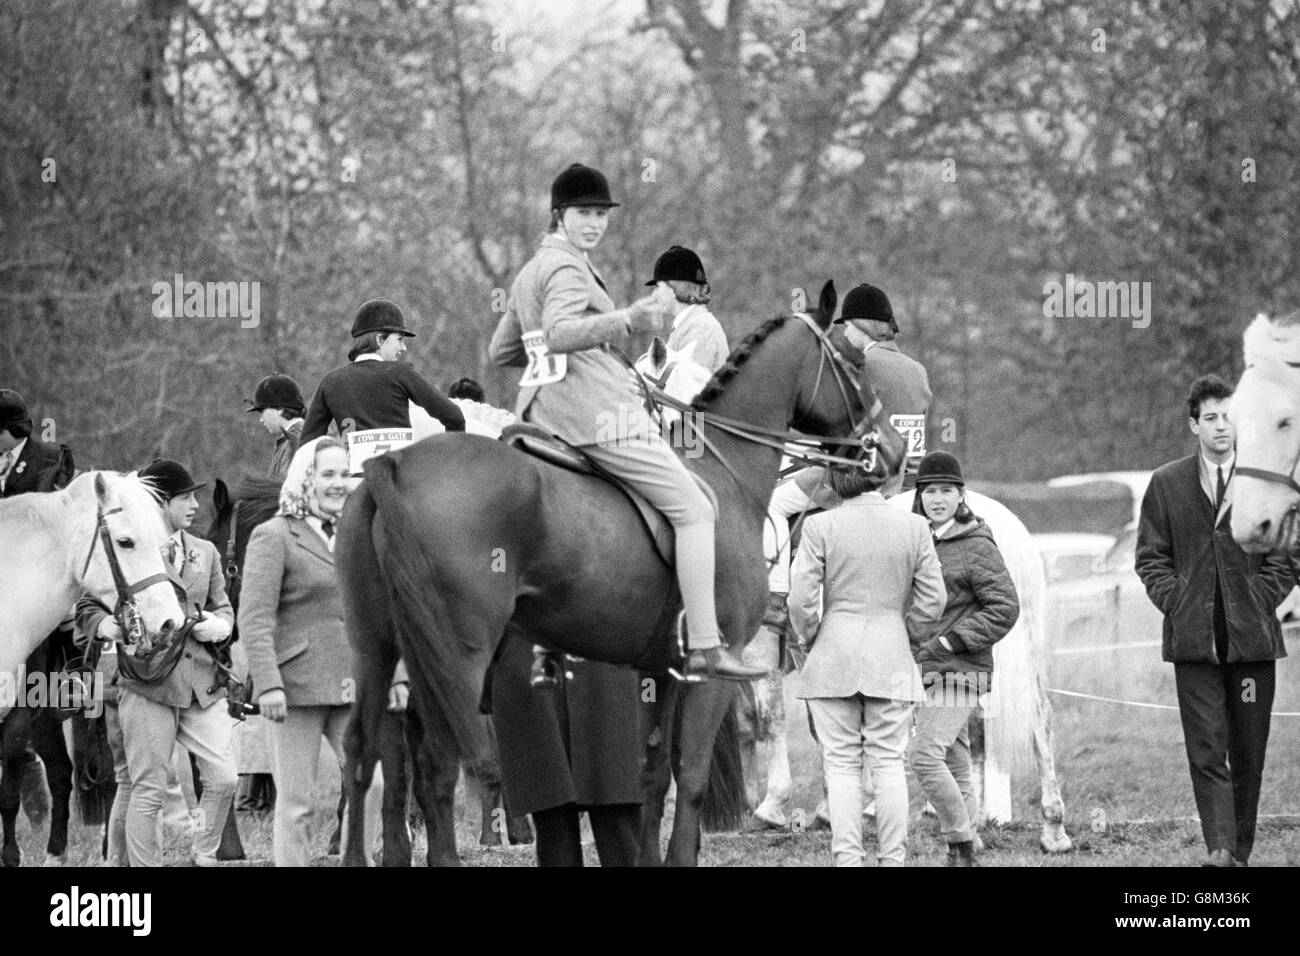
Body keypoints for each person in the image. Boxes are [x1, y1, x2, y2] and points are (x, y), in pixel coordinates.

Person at [488, 162, 763, 681]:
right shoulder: (568, 268)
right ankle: (704, 643)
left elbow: (502, 350)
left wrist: (555, 363)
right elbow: (560, 333)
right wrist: (631, 320)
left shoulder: (530, 272)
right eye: (582, 214)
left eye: (599, 214)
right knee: (696, 505)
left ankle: (552, 647)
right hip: (596, 417)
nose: (594, 223)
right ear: (558, 216)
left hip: (539, 413)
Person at [1135, 374, 1293, 867]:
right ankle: (1220, 851)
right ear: (1193, 425)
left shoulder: (1264, 482)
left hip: (1251, 648)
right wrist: (1178, 602)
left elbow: (1288, 554)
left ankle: (1239, 853)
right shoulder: (1166, 483)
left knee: (1247, 753)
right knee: (1206, 751)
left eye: (1230, 416)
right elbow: (1150, 558)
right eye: (1211, 418)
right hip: (1195, 646)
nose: (1222, 426)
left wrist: (1259, 598)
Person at [237, 437, 401, 866]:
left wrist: (398, 676)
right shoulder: (273, 536)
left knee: (373, 784)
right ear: (304, 478)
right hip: (293, 690)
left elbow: (382, 612)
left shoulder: (359, 535)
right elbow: (254, 620)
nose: (338, 483)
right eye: (327, 474)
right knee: (297, 805)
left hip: (355, 683)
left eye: (344, 473)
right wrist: (268, 684)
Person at [77, 458, 238, 868]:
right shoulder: (126, 547)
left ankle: (204, 852)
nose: (196, 506)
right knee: (145, 787)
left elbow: (224, 606)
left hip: (201, 682)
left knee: (224, 778)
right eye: (185, 498)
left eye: (196, 497)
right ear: (159, 503)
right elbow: (87, 604)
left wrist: (218, 625)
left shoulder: (206, 552)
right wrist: (105, 624)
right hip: (146, 681)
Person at [788, 462, 946, 866]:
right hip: (891, 654)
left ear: (838, 479)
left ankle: (848, 860)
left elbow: (800, 599)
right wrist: (904, 634)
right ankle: (893, 860)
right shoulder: (915, 528)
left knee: (840, 765)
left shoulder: (819, 527)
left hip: (831, 655)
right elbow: (934, 601)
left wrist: (810, 637)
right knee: (889, 763)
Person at [907, 450, 1019, 866]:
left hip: (961, 667)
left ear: (961, 495)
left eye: (946, 491)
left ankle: (962, 843)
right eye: (929, 491)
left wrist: (954, 641)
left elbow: (1005, 607)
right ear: (920, 496)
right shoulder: (919, 538)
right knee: (955, 763)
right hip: (927, 668)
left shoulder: (975, 544)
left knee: (923, 756)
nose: (937, 499)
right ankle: (966, 853)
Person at [301, 299, 466, 453]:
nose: (403, 348)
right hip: (397, 479)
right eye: (399, 339)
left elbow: (307, 445)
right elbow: (454, 416)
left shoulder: (330, 381)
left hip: (352, 480)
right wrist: (451, 459)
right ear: (380, 339)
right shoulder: (401, 373)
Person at [833, 283, 932, 495]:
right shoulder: (918, 369)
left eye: (848, 325)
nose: (846, 333)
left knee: (779, 502)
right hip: (914, 481)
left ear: (862, 326)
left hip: (872, 480)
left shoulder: (859, 365)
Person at [641, 245, 729, 372]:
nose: (654, 295)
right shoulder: (690, 325)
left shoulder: (701, 328)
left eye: (657, 286)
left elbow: (687, 387)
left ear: (674, 286)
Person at [246, 374, 306, 481]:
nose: (261, 419)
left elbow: (287, 491)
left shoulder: (295, 442)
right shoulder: (310, 433)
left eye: (262, 412)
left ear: (278, 410)